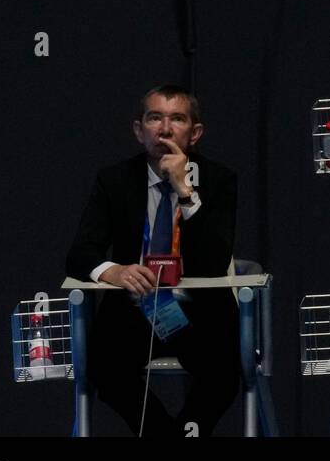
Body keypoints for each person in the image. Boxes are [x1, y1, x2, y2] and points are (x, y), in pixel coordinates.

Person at [66, 84, 240, 437]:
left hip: (198, 311)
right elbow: (80, 254)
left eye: (177, 119)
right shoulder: (114, 180)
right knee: (106, 369)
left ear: (195, 133)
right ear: (138, 130)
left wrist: (184, 191)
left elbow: (215, 259)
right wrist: (113, 270)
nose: (164, 129)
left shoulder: (219, 179)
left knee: (224, 371)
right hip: (136, 308)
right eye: (154, 118)